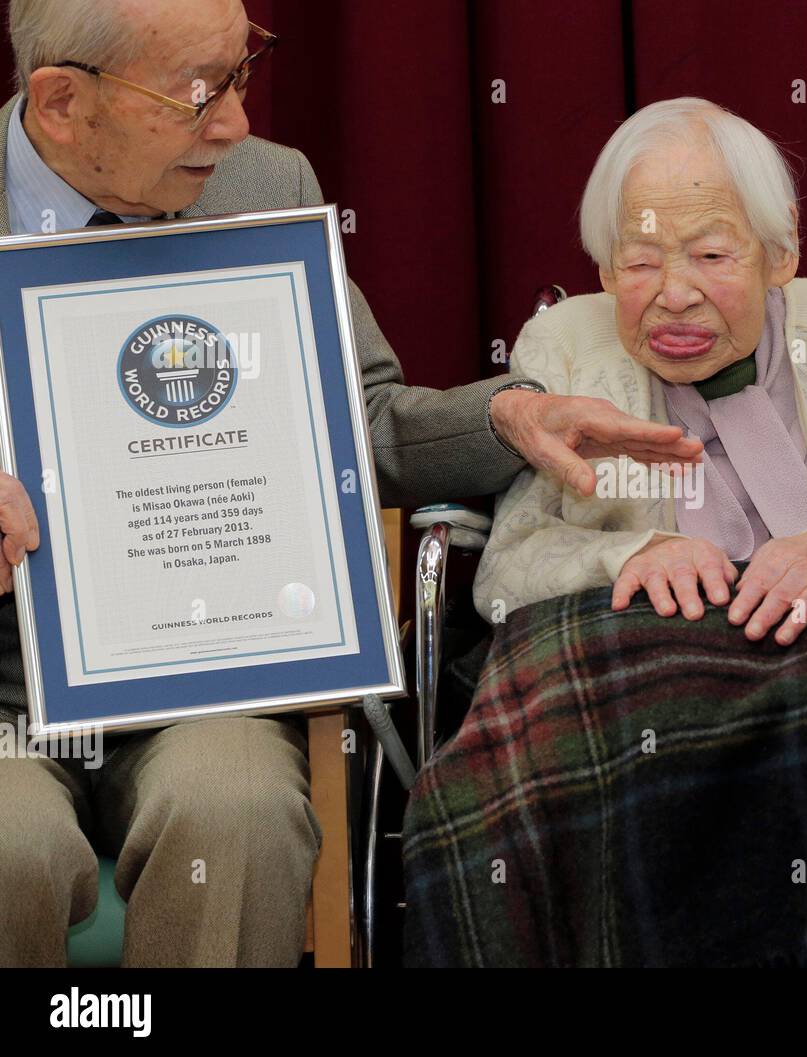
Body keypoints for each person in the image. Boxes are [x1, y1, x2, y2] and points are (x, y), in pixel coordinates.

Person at [0, 0, 700, 968]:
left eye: (242, 73)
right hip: (8, 701)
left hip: (204, 686)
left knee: (239, 811)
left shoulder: (261, 183)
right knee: (11, 847)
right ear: (63, 103)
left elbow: (357, 422)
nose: (236, 123)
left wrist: (503, 417)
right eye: (198, 93)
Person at [403, 98, 807, 967]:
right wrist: (630, 552)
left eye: (711, 255)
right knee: (518, 766)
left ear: (780, 255)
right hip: (621, 678)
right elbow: (507, 571)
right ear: (601, 267)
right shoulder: (561, 353)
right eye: (639, 260)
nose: (673, 293)